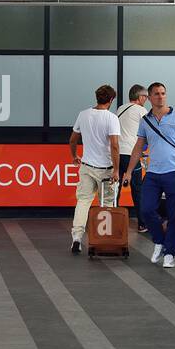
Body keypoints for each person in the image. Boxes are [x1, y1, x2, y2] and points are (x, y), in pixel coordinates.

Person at [123, 82, 175, 269]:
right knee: (146, 210)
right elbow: (138, 148)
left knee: (174, 215)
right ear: (149, 98)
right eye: (156, 94)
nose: (161, 96)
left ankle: (170, 254)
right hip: (153, 172)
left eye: (163, 93)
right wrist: (128, 171)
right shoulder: (145, 120)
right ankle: (159, 241)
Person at [68, 84, 121, 255]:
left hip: (86, 166)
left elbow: (72, 140)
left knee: (83, 201)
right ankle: (104, 240)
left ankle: (77, 238)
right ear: (111, 99)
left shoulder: (83, 115)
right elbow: (114, 146)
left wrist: (74, 156)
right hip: (106, 169)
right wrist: (116, 170)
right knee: (107, 204)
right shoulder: (112, 118)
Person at [116, 84, 149, 233]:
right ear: (140, 97)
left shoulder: (120, 109)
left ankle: (113, 221)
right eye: (145, 96)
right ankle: (142, 224)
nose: (146, 99)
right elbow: (149, 130)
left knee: (116, 189)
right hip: (131, 155)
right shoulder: (141, 111)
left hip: (117, 154)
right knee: (137, 190)